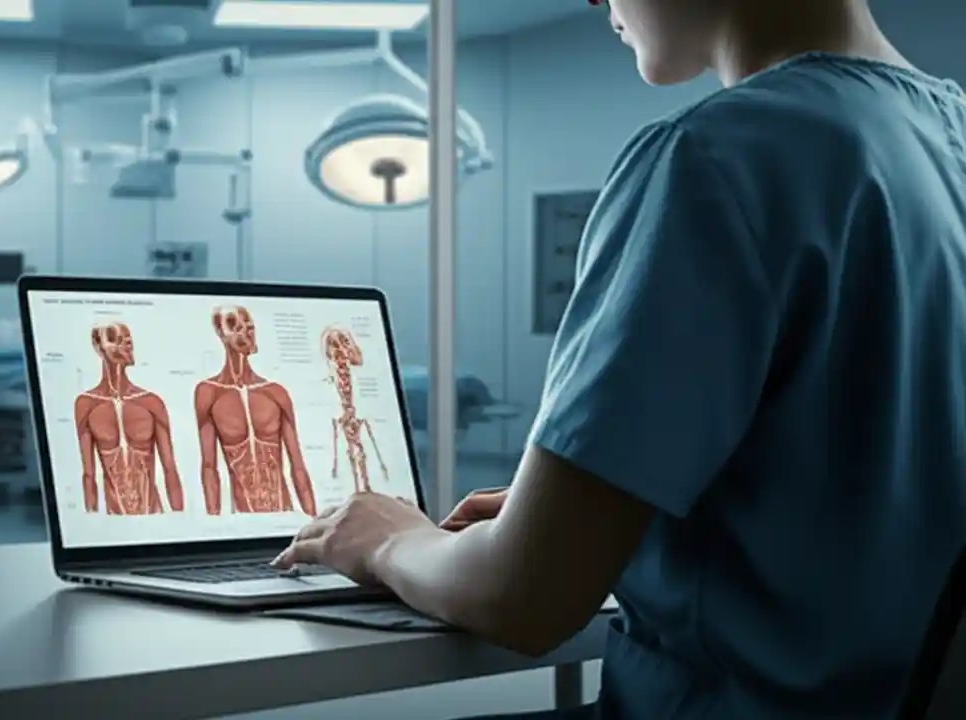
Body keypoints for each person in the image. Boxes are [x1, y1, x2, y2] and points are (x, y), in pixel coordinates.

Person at [271, 0, 966, 717]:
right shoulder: (948, 138)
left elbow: (523, 597)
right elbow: (877, 480)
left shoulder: (715, 157)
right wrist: (604, 509)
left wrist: (391, 540)